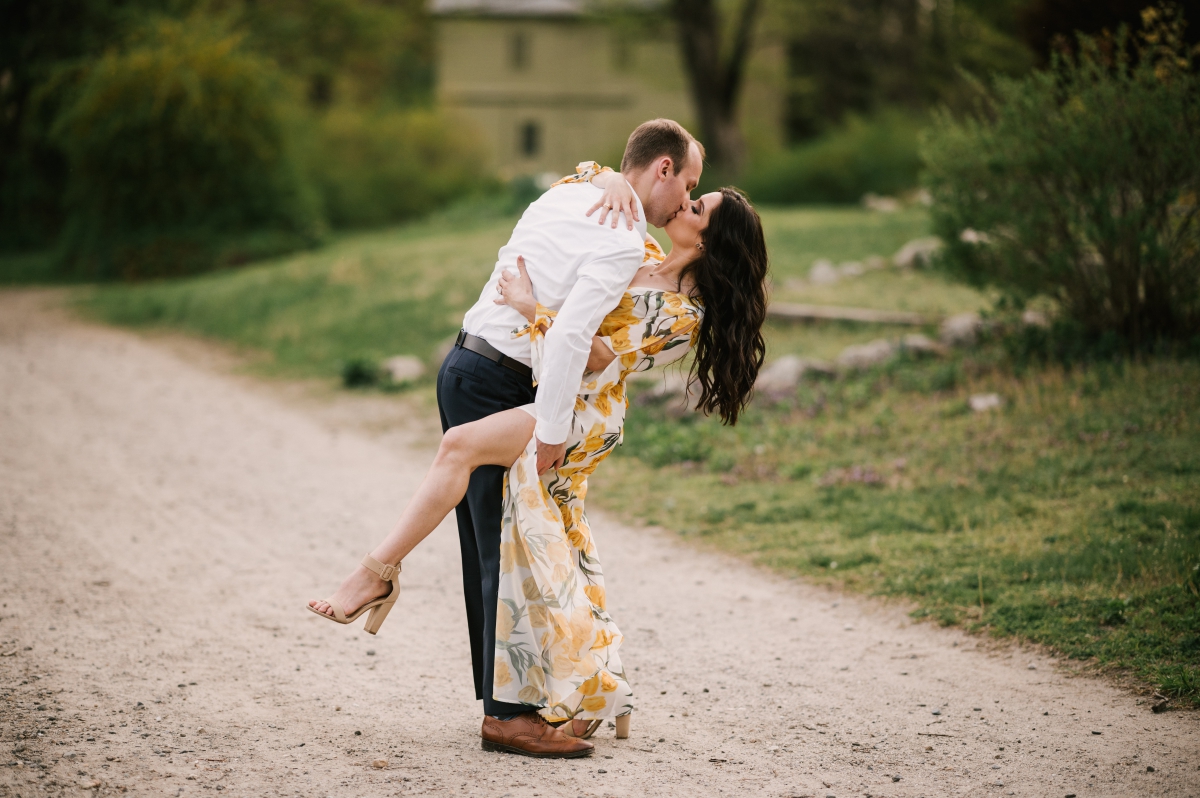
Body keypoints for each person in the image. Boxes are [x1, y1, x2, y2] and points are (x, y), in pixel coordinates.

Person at [309, 121, 768, 757]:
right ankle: (561, 695)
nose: (688, 202)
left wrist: (531, 310)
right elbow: (591, 176)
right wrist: (614, 178)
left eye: (699, 204)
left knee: (476, 470)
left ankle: (379, 575)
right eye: (691, 188)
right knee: (550, 556)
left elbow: (597, 356)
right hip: (548, 393)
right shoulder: (640, 252)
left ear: (712, 240)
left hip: (579, 416)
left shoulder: (685, 315)